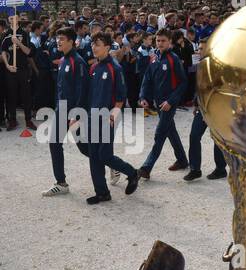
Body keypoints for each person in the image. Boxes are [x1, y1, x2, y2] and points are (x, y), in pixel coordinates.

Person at [83, 32, 139, 204]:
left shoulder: (115, 68)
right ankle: (102, 193)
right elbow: (89, 95)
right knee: (94, 156)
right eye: (93, 44)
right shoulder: (93, 68)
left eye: (98, 44)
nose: (94, 47)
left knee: (105, 155)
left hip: (109, 118)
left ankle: (132, 172)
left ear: (107, 47)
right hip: (93, 118)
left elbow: (121, 98)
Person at [43, 26, 90, 197]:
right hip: (61, 110)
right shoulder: (64, 60)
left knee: (84, 148)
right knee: (54, 143)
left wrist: (76, 115)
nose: (58, 41)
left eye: (62, 39)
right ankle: (61, 183)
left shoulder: (78, 62)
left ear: (72, 41)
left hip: (74, 113)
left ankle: (111, 163)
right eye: (57, 38)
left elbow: (83, 91)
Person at [137, 29, 188, 178]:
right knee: (170, 131)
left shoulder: (174, 59)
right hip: (158, 103)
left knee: (159, 134)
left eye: (163, 41)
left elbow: (183, 83)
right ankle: (182, 160)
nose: (160, 43)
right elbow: (147, 80)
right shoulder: (153, 58)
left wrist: (171, 101)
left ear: (170, 42)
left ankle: (146, 168)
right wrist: (143, 97)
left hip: (168, 104)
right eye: (158, 40)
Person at [184, 38, 227, 181]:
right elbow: (199, 88)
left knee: (217, 139)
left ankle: (220, 169)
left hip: (215, 110)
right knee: (194, 136)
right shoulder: (200, 66)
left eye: (202, 49)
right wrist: (196, 104)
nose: (198, 51)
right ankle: (195, 169)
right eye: (198, 49)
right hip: (201, 108)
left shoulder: (218, 68)